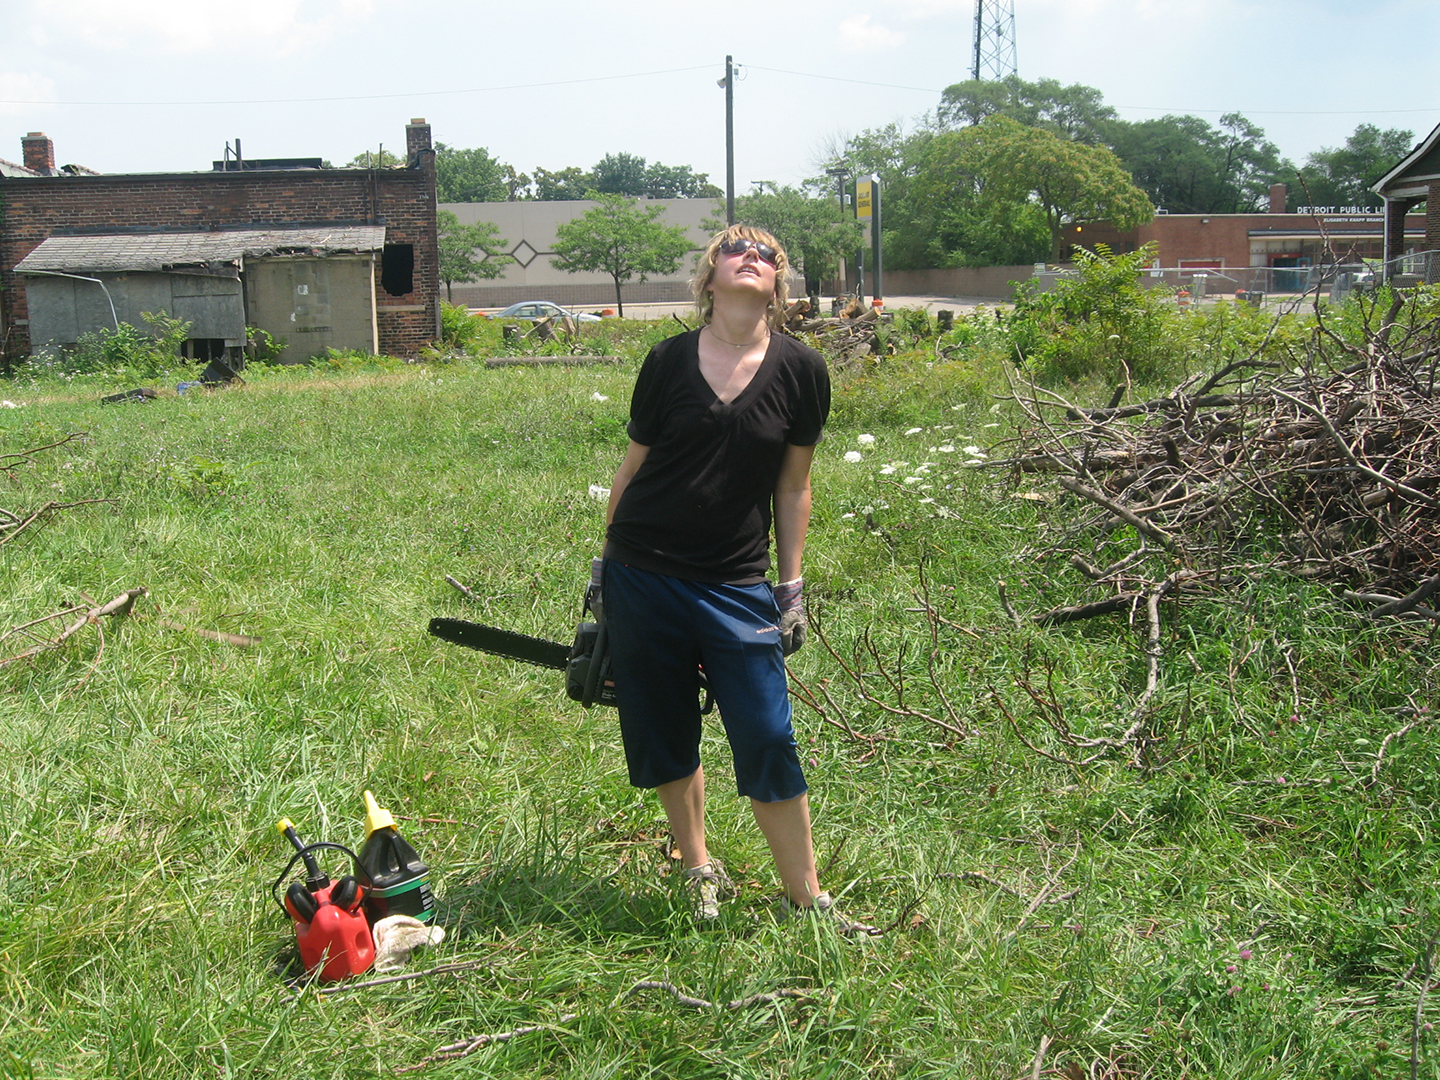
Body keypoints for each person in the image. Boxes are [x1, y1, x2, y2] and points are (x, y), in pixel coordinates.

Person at [601, 224, 860, 930]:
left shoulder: (802, 371)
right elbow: (633, 468)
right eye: (736, 249)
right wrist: (603, 573)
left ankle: (806, 899)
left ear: (779, 283)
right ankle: (697, 867)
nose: (753, 257)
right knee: (665, 729)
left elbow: (794, 487)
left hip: (736, 582)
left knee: (768, 734)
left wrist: (791, 585)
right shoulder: (665, 360)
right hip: (642, 572)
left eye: (768, 254)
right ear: (708, 277)